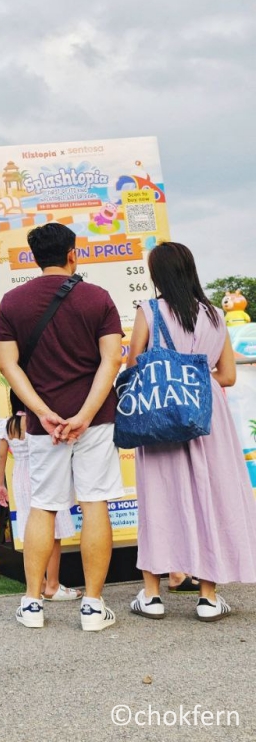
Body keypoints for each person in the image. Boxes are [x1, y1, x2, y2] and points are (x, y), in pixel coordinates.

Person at [0, 222, 125, 631]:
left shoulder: (12, 302)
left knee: (43, 506)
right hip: (96, 422)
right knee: (94, 503)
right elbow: (111, 360)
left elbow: (8, 365)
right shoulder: (97, 298)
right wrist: (85, 414)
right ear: (73, 253)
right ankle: (92, 606)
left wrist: (42, 411)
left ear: (35, 256)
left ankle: (32, 603)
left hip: (42, 425)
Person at [126, 242, 256, 621]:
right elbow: (228, 375)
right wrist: (198, 374)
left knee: (158, 498)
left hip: (161, 414)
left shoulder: (149, 311)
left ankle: (151, 594)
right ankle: (209, 597)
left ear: (157, 276)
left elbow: (136, 362)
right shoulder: (216, 316)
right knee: (208, 497)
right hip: (208, 417)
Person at [0, 410, 82, 601]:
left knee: (31, 529)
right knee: (53, 530)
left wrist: (0, 485)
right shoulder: (40, 421)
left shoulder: (7, 425)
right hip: (44, 472)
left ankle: (37, 584)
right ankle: (52, 584)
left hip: (21, 477)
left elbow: (1, 457)